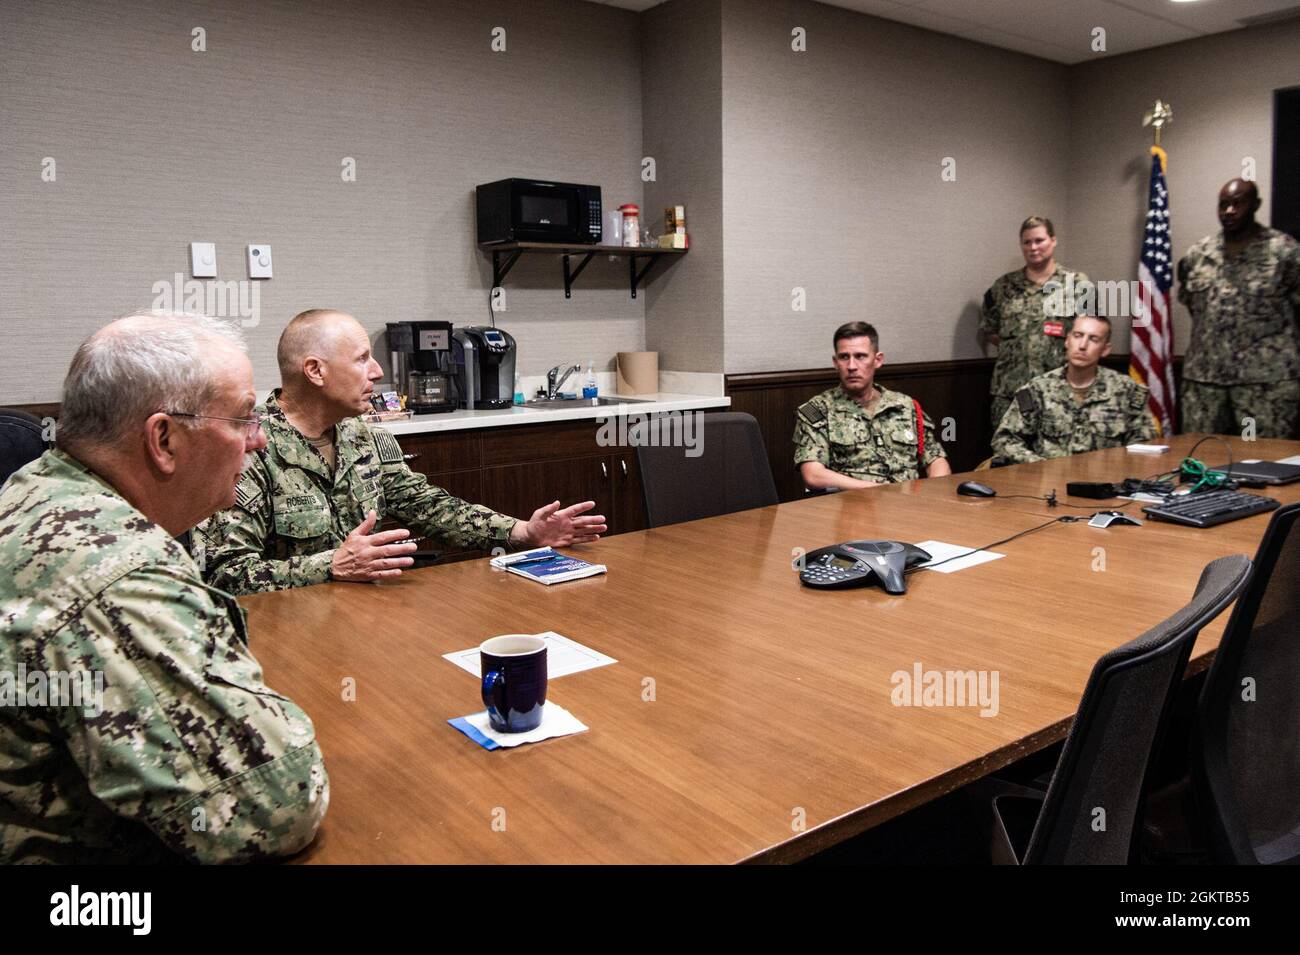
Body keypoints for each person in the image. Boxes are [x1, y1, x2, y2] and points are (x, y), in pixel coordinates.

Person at [0, 312, 328, 864]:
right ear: (164, 438)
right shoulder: (113, 568)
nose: (260, 442)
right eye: (244, 419)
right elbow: (274, 805)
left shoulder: (36, 487)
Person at [201, 309, 606, 595]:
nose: (377, 372)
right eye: (362, 360)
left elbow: (425, 505)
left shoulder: (361, 434)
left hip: (366, 617)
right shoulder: (249, 448)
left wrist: (522, 532)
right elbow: (226, 576)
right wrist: (330, 566)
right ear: (315, 371)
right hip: (291, 635)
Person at [1178, 178, 1300, 438]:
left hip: (1265, 382)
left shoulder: (1284, 252)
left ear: (1255, 205)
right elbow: (1194, 306)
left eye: (1237, 204)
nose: (1229, 211)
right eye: (1223, 205)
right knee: (1200, 460)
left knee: (1262, 462)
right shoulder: (1198, 254)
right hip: (1204, 381)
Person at [794, 321, 951, 490]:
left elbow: (936, 460)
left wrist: (934, 493)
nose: (852, 366)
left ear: (877, 360)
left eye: (860, 356)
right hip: (851, 507)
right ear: (835, 362)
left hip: (909, 505)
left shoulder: (905, 406)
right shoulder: (818, 410)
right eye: (844, 357)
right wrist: (876, 491)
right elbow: (813, 475)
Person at [991, 315, 1156, 465]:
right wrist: (1040, 465)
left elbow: (1144, 446)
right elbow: (1005, 440)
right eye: (1078, 336)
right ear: (1067, 341)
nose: (1083, 345)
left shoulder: (1127, 391)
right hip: (1048, 486)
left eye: (1093, 339)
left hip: (1105, 485)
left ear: (1105, 349)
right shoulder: (1038, 389)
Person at [980, 216, 1091, 428]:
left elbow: (1093, 335)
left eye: (1039, 240)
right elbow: (990, 330)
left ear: (1053, 240)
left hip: (1060, 391)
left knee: (1059, 456)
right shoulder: (1003, 287)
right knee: (1007, 455)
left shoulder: (1077, 284)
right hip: (1010, 393)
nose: (1033, 247)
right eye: (1027, 242)